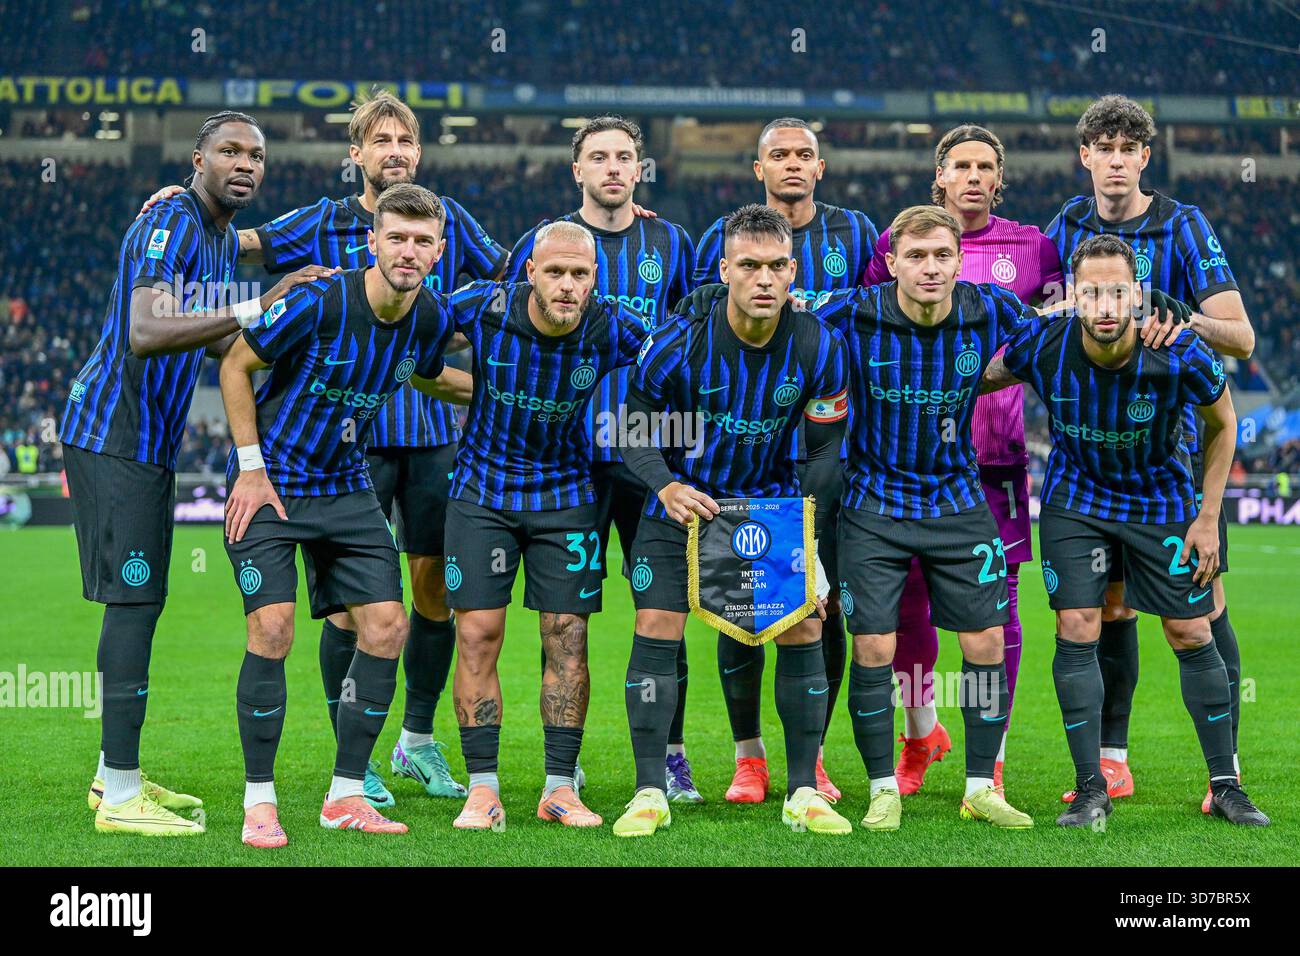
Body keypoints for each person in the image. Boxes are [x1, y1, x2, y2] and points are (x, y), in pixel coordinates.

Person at [137, 91, 505, 805]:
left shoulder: (444, 218)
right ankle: (352, 760)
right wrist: (181, 203)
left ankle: (416, 741)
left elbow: (511, 268)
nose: (395, 149)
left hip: (426, 436)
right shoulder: (325, 222)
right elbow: (239, 243)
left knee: (429, 596)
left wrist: (584, 234)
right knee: (344, 612)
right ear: (356, 155)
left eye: (406, 139)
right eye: (381, 140)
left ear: (419, 154)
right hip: (341, 449)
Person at [64, 110, 337, 836]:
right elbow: (147, 329)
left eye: (256, 154)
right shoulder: (176, 221)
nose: (245, 163)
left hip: (144, 443)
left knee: (142, 601)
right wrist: (261, 301)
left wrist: (272, 303)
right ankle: (120, 795)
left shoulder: (217, 236)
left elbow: (213, 319)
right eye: (229, 150)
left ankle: (110, 775)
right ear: (198, 158)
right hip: (114, 435)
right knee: (132, 602)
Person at [983, 233, 1268, 827]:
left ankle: (1226, 786)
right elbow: (979, 378)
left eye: (1118, 291)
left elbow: (1224, 423)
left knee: (1191, 631)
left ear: (1137, 293)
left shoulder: (1179, 348)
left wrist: (1209, 516)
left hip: (1160, 500)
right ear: (1073, 297)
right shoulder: (1043, 341)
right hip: (1076, 501)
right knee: (1078, 625)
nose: (1106, 305)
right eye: (1092, 292)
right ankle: (1091, 789)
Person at [219, 184, 469, 847]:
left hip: (344, 485)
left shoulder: (429, 318)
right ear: (373, 241)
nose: (409, 251)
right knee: (272, 629)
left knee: (387, 626)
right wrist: (249, 467)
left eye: (422, 241)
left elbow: (428, 374)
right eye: (397, 238)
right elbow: (236, 364)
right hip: (271, 484)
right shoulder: (318, 299)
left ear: (439, 251)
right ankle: (259, 801)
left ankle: (346, 794)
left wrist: (512, 392)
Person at [613, 204, 850, 838]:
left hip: (770, 507)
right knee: (657, 625)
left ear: (794, 271)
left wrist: (804, 519)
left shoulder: (818, 344)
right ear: (725, 269)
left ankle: (802, 791)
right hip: (685, 503)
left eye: (777, 265)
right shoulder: (676, 342)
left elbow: (827, 446)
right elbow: (632, 428)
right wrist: (664, 485)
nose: (764, 278)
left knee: (803, 631)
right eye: (749, 265)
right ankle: (648, 791)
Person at [1046, 95, 1256, 811]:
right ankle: (1109, 761)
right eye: (1100, 148)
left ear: (1143, 157)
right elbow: (1043, 320)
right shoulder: (1065, 227)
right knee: (1105, 613)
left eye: (1125, 148)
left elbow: (1241, 337)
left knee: (1203, 610)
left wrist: (1172, 314)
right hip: (1091, 465)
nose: (1112, 159)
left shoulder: (1184, 225)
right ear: (1085, 158)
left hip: (1173, 461)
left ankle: (1226, 771)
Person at [810, 205, 1037, 831]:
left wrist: (1149, 320)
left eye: (941, 255)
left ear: (959, 259)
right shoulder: (853, 313)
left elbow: (1054, 339)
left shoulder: (990, 309)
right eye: (916, 256)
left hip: (958, 502)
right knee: (875, 645)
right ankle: (883, 787)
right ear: (891, 263)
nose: (930, 267)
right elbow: (779, 329)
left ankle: (980, 786)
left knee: (988, 640)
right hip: (872, 505)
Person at [861, 124, 1065, 794]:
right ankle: (919, 736)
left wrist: (979, 374)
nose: (974, 177)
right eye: (961, 166)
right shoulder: (896, 243)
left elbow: (1052, 338)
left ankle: (993, 757)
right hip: (902, 463)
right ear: (938, 175)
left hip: (995, 464)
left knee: (997, 612)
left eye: (986, 167)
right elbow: (866, 326)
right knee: (903, 608)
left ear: (999, 179)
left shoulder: (1033, 247)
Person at [505, 116, 698, 800]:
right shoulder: (545, 243)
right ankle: (569, 763)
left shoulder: (671, 241)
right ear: (576, 170)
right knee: (564, 618)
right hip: (571, 459)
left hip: (654, 458)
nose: (613, 167)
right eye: (598, 157)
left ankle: (671, 755)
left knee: (664, 615)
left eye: (624, 157)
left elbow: (694, 339)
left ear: (639, 170)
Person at [693, 117, 879, 802]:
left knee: (818, 607)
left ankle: (815, 753)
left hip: (829, 454)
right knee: (736, 607)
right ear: (758, 167)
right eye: (780, 155)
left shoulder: (858, 233)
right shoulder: (725, 236)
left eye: (805, 154)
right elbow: (698, 317)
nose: (793, 164)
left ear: (820, 167)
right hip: (745, 454)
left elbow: (885, 301)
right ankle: (750, 758)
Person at [445, 221, 651, 832]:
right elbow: (407, 343)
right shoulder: (480, 307)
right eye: (555, 272)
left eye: (579, 274)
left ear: (595, 279)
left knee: (568, 639)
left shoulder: (612, 327)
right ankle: (483, 790)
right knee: (479, 635)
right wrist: (473, 389)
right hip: (480, 494)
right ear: (529, 272)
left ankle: (559, 788)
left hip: (567, 497)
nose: (567, 286)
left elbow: (681, 357)